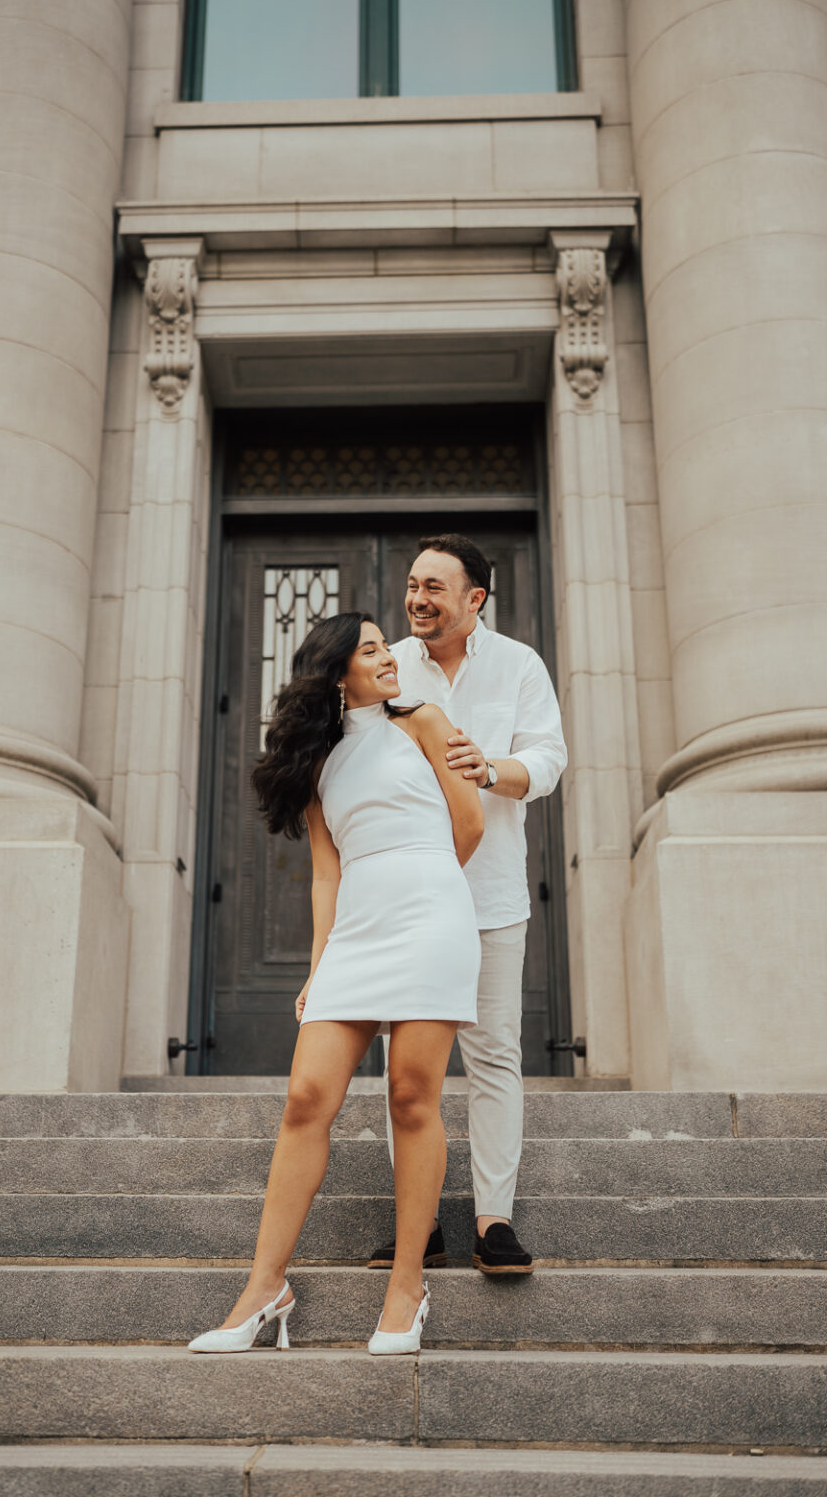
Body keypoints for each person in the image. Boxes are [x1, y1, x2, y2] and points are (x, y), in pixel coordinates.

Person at [188, 612, 483, 1355]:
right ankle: (264, 1288)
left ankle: (407, 1286)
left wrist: (423, 886)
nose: (391, 657)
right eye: (373, 649)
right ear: (336, 670)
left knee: (412, 1097)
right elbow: (326, 869)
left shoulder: (423, 722)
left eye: (388, 647)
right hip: (357, 931)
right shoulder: (318, 760)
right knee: (305, 1098)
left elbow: (470, 823)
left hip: (428, 911)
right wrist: (319, 967)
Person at [368, 534, 567, 1275]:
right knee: (405, 1064)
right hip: (409, 897)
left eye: (434, 588)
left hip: (492, 895)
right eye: (413, 585)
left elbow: (549, 758)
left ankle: (494, 1221)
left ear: (474, 599)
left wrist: (492, 768)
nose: (417, 599)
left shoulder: (519, 665)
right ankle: (418, 1226)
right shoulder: (384, 664)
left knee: (493, 1057)